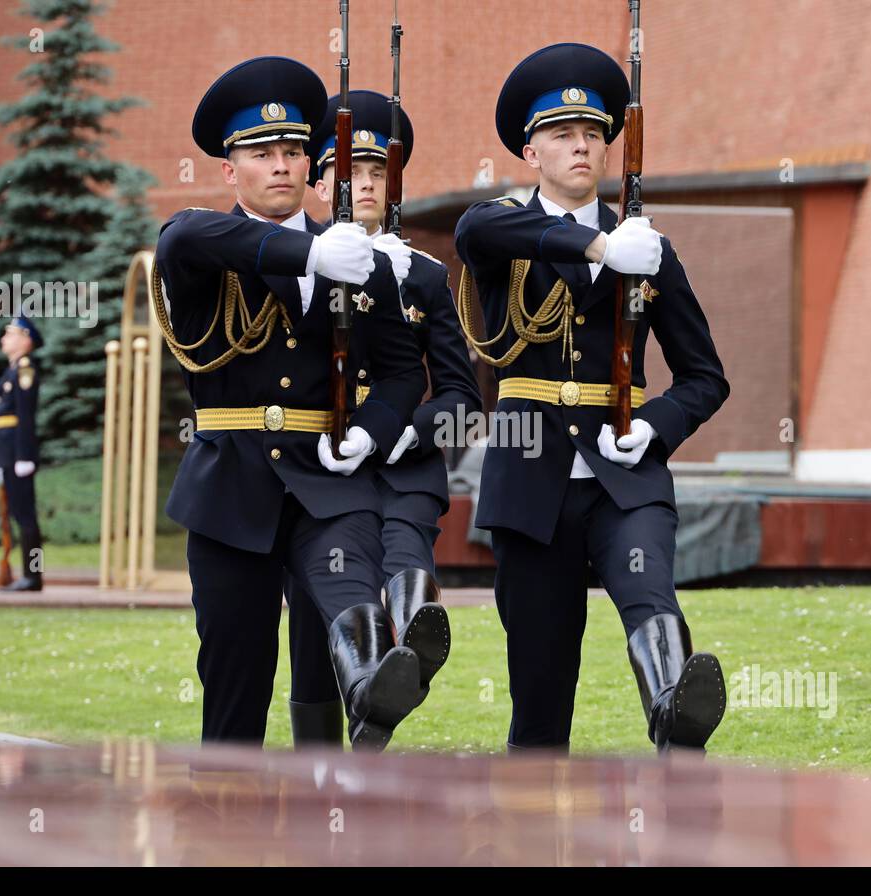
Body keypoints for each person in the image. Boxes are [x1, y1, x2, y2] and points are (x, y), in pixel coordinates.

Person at [152, 56, 444, 750]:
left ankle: (372, 684)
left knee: (347, 599)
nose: (281, 165)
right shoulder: (203, 242)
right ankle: (225, 834)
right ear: (230, 169)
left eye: (292, 152)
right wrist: (310, 259)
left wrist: (371, 436)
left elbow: (405, 376)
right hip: (230, 487)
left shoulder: (355, 257)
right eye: (261, 153)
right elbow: (185, 237)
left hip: (327, 480)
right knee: (235, 688)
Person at [454, 43, 731, 754]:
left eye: (593, 135)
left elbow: (705, 375)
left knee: (652, 603)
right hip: (531, 481)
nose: (580, 147)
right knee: (541, 697)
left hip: (623, 477)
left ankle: (676, 714)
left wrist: (656, 427)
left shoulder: (650, 249)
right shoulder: (505, 233)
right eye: (561, 135)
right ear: (531, 151)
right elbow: (473, 230)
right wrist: (600, 251)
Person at [280, 90, 482, 748]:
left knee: (402, 558)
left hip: (397, 468)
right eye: (348, 173)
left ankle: (412, 634)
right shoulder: (295, 258)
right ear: (322, 180)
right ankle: (331, 753)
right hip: (319, 469)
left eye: (376, 175)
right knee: (315, 631)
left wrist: (402, 434)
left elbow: (460, 399)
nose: (363, 186)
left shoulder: (423, 275)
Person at [0, 314, 44, 592]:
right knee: (18, 515)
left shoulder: (25, 370)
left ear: (25, 339)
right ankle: (27, 575)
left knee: (26, 516)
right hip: (8, 453)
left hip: (17, 454)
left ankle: (33, 576)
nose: (4, 339)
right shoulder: (12, 371)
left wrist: (24, 456)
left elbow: (25, 416)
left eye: (9, 334)